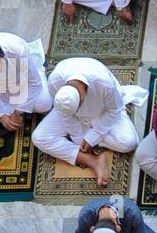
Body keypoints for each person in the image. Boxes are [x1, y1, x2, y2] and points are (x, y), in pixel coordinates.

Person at [32, 57, 140, 186]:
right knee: (39, 137)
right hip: (70, 114)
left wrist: (91, 137)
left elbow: (114, 110)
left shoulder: (103, 83)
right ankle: (92, 161)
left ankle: (91, 141)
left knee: (129, 143)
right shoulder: (55, 81)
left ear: (83, 98)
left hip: (103, 111)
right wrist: (79, 138)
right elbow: (63, 113)